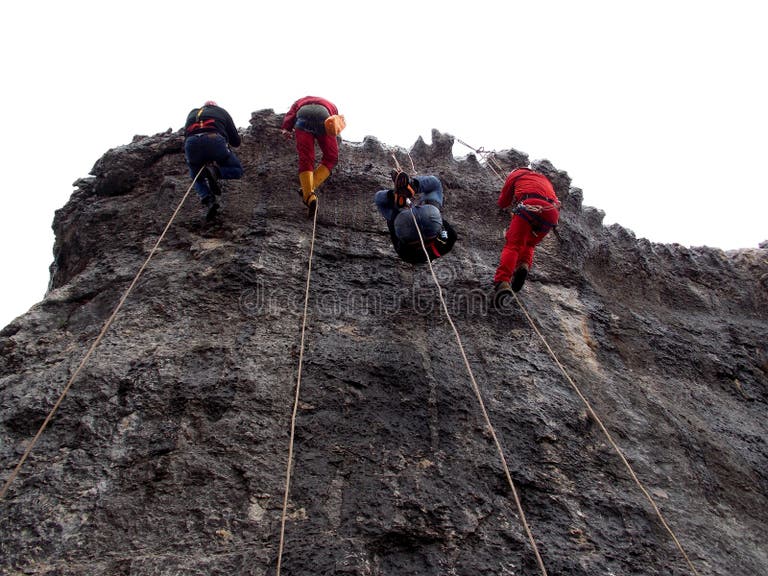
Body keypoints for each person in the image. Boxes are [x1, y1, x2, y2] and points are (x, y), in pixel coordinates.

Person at [493, 166, 560, 303]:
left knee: (513, 245)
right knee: (529, 243)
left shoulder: (515, 175)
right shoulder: (543, 178)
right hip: (551, 213)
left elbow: (503, 202)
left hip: (529, 207)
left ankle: (502, 281)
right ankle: (523, 265)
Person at [374, 172, 457, 264]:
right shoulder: (409, 258)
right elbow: (397, 238)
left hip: (429, 219)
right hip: (405, 226)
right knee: (379, 199)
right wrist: (396, 215)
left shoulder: (444, 248)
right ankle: (393, 195)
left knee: (435, 184)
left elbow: (451, 233)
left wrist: (438, 225)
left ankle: (413, 185)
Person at [281, 96, 342, 216]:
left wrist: (286, 129)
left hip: (303, 115)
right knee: (331, 157)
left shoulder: (299, 101)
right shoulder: (331, 105)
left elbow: (291, 114)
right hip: (323, 115)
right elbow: (335, 124)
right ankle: (307, 192)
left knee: (306, 158)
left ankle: (308, 194)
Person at [184, 100, 244, 220]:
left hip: (191, 143)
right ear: (215, 106)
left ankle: (208, 199)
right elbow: (236, 141)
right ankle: (216, 172)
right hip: (213, 139)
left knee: (196, 176)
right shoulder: (221, 111)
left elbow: (186, 133)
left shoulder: (192, 113)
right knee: (237, 170)